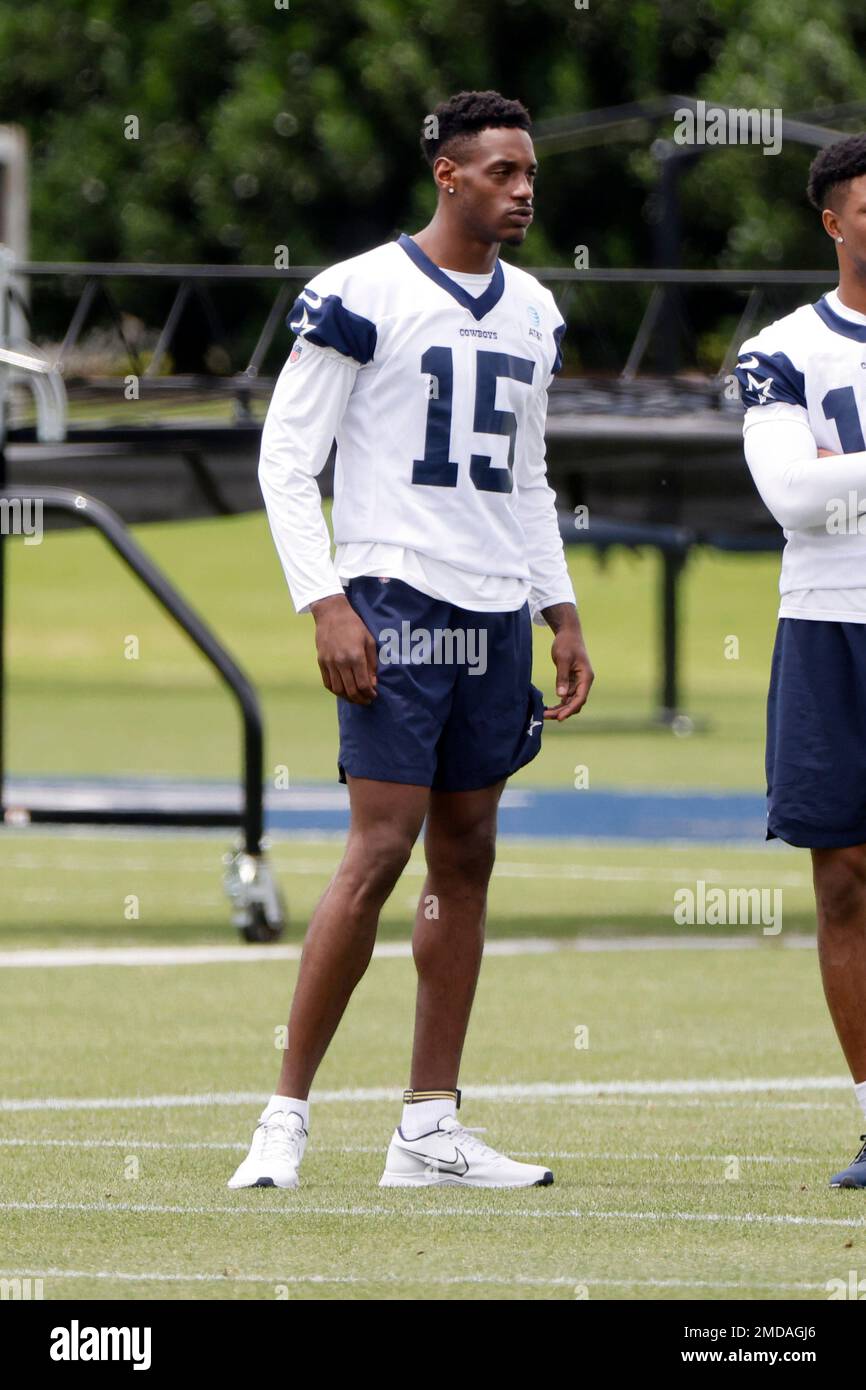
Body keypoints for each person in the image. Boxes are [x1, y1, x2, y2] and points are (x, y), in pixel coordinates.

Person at [229, 89, 593, 1191]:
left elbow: (526, 477)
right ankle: (281, 1119)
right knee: (377, 851)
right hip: (394, 598)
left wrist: (557, 609)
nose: (522, 190)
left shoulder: (533, 309)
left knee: (466, 855)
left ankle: (427, 1126)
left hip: (491, 611)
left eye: (528, 173)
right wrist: (325, 600)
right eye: (500, 173)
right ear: (447, 175)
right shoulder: (357, 292)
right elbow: (285, 460)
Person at [735, 132, 866, 1188]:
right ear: (830, 220)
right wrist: (826, 481)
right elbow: (790, 496)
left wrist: (845, 470)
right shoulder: (784, 348)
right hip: (826, 620)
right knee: (842, 883)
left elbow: (829, 485)